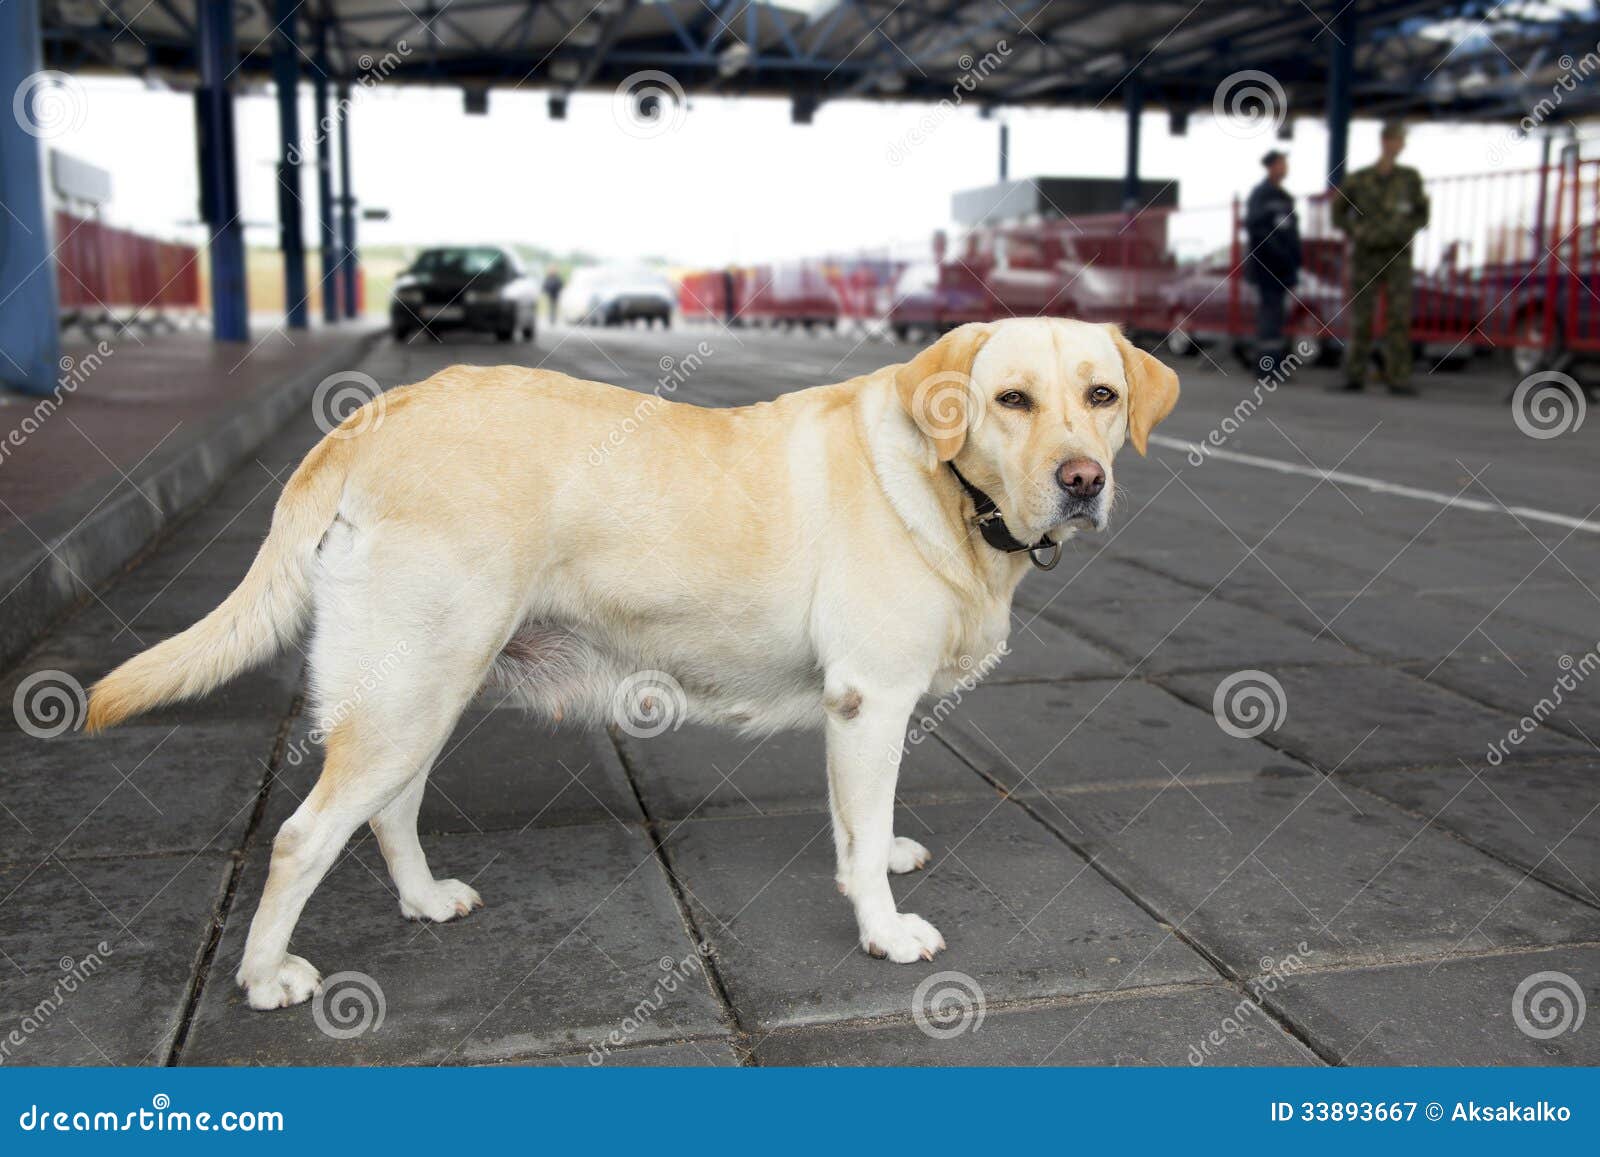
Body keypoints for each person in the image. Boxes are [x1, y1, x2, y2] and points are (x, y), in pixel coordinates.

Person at [1331, 121, 1430, 395]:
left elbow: (1422, 213)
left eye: (1402, 140)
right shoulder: (1360, 178)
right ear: (1386, 141)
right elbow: (1337, 211)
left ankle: (1398, 378)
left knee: (1398, 316)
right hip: (1366, 255)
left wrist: (1407, 228)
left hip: (1398, 255)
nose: (1401, 145)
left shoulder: (1410, 178)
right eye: (1398, 139)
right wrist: (1356, 230)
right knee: (1361, 317)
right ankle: (1354, 375)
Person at [1244, 149, 1301, 374]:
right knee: (1269, 316)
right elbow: (1257, 230)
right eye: (1281, 163)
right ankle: (1266, 368)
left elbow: (1292, 233)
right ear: (1271, 166)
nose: (1285, 167)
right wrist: (1276, 255)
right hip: (1267, 267)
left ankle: (1275, 364)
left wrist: (1293, 261)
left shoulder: (1284, 197)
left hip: (1284, 267)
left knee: (1277, 317)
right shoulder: (1261, 195)